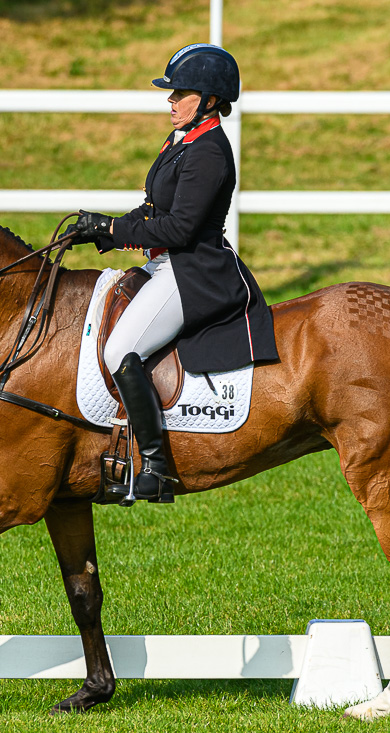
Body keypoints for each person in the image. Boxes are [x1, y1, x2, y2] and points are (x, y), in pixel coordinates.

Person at [65, 43, 279, 505]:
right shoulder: (182, 140)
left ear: (209, 100)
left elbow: (180, 228)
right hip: (165, 262)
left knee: (121, 349)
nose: (171, 100)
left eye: (180, 93)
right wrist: (102, 229)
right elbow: (153, 210)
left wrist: (113, 229)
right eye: (172, 92)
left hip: (192, 270)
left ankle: (156, 467)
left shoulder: (209, 152)